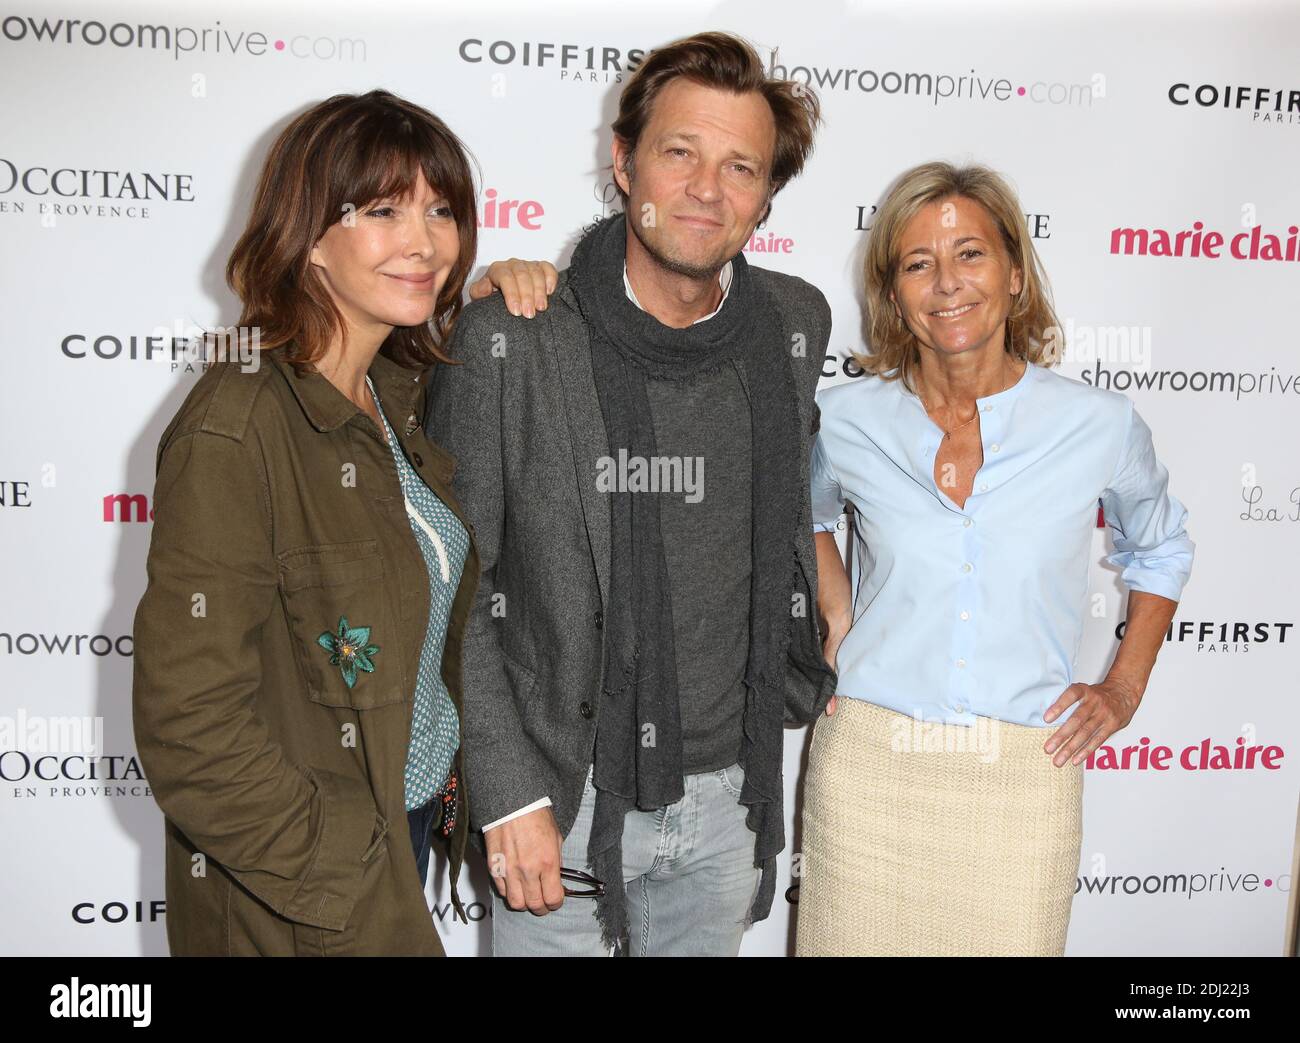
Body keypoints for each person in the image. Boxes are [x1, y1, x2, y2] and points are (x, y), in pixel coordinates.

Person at [425, 31, 836, 956]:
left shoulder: (795, 321)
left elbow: (790, 504)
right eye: (679, 152)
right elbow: (451, 580)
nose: (706, 188)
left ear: (766, 195)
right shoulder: (517, 336)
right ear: (623, 162)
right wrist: (509, 792)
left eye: (741, 166)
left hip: (734, 797)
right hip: (561, 799)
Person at [131, 89, 551, 955]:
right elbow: (190, 727)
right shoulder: (237, 424)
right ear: (310, 232)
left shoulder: (391, 392)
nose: (425, 240)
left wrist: (493, 287)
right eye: (383, 210)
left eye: (441, 209)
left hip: (397, 835)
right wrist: (347, 872)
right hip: (306, 889)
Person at [796, 161, 1194, 956]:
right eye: (918, 263)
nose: (947, 282)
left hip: (1023, 772)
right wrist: (838, 614)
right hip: (871, 765)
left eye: (970, 254)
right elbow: (802, 518)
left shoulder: (1098, 423)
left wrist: (1123, 686)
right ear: (893, 292)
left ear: (1015, 273)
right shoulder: (843, 419)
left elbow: (1162, 546)